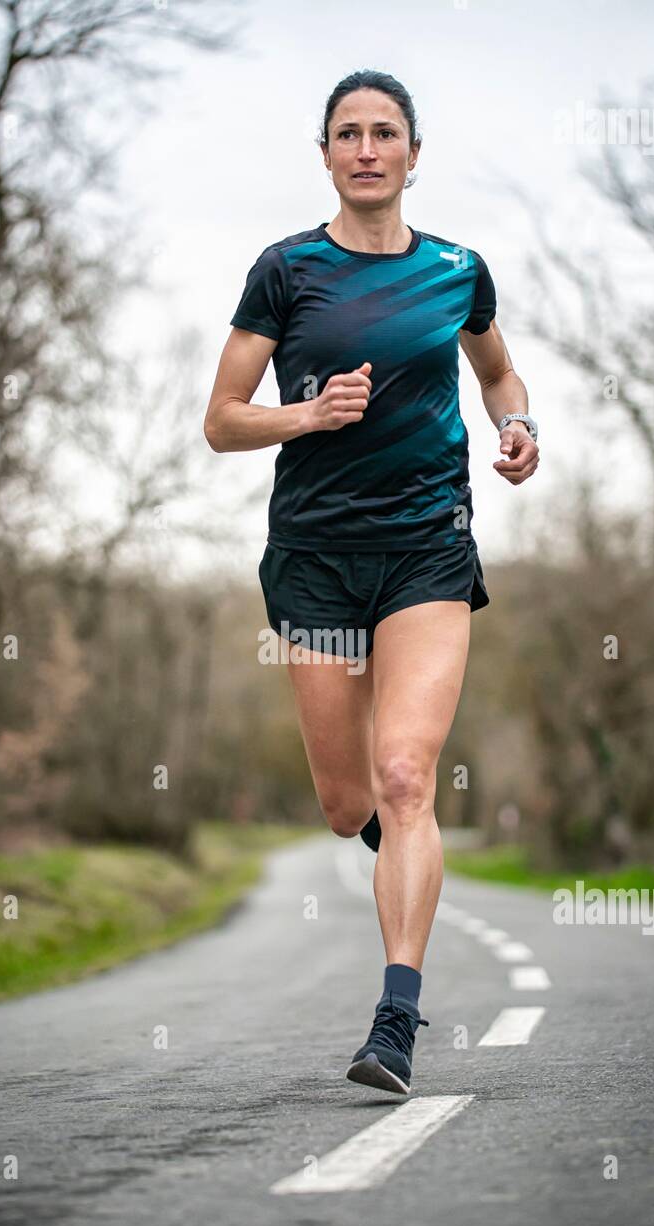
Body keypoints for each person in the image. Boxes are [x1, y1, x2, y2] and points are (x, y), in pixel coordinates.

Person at [204, 70, 538, 1095]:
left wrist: (518, 425)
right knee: (347, 800)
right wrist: (305, 414)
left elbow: (495, 373)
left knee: (404, 775)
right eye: (345, 133)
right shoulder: (285, 271)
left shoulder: (455, 270)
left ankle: (394, 1019)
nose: (364, 148)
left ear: (409, 152)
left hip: (426, 546)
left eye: (381, 132)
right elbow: (221, 417)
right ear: (325, 155)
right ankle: (398, 846)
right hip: (313, 556)